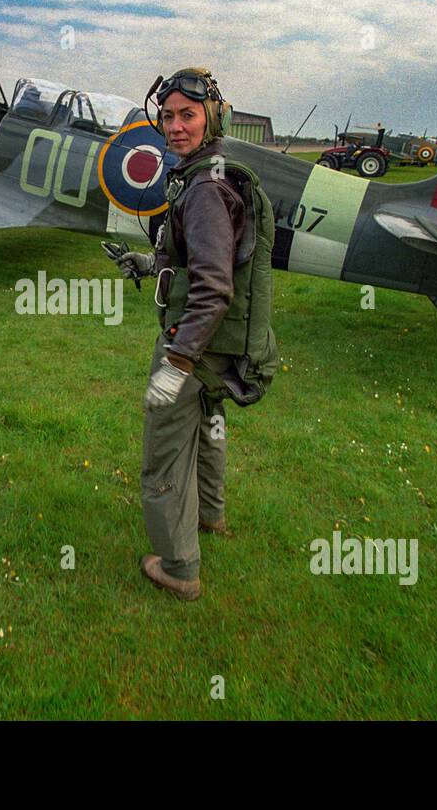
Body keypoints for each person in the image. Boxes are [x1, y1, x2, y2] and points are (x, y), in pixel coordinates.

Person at [105, 67, 279, 601]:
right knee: (209, 428)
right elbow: (197, 259)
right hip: (222, 349)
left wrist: (176, 364)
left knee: (164, 451)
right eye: (169, 116)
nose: (176, 127)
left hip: (195, 347)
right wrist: (146, 260)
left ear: (212, 117)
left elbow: (213, 287)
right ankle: (211, 516)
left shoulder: (205, 187)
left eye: (188, 115)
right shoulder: (215, 173)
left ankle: (178, 568)